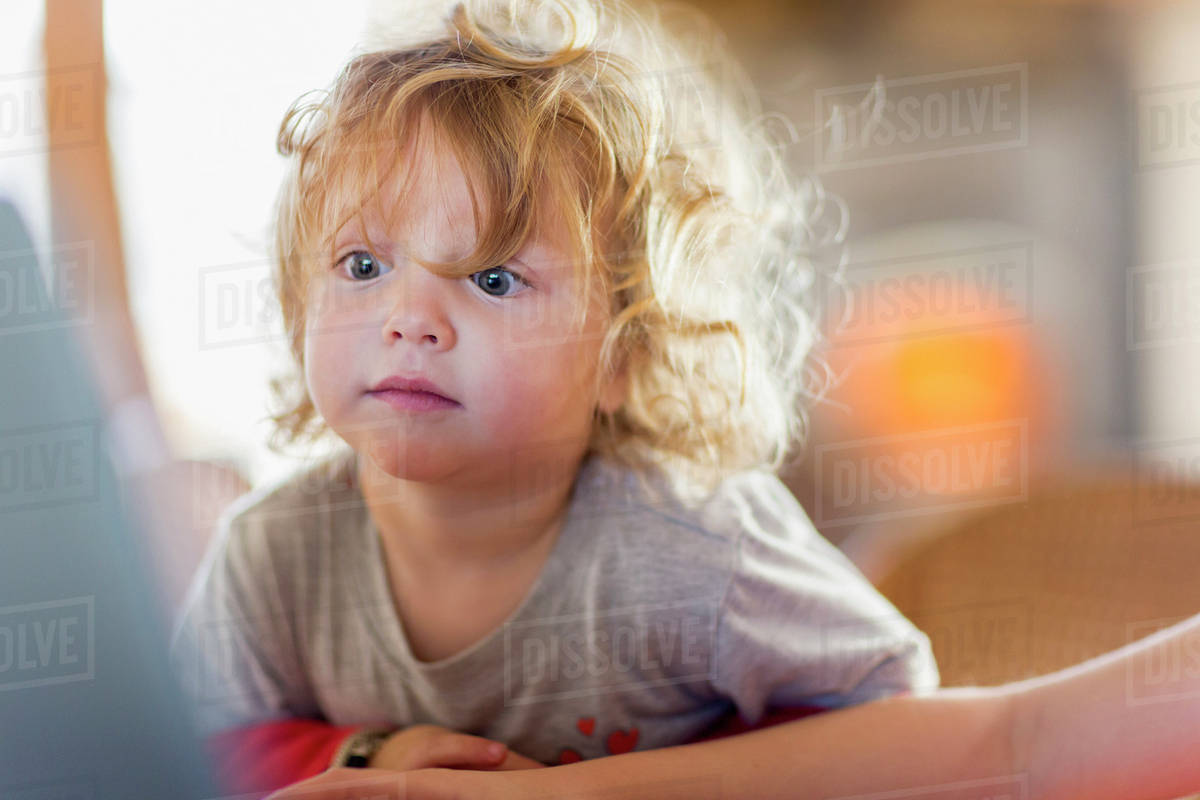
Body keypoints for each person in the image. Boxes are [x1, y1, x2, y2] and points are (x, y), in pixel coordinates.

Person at [170, 2, 1200, 799]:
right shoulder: (276, 552)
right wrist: (365, 751)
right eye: (360, 263)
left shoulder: (697, 545)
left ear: (623, 354)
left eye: (491, 279)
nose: (408, 317)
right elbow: (183, 745)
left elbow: (897, 718)